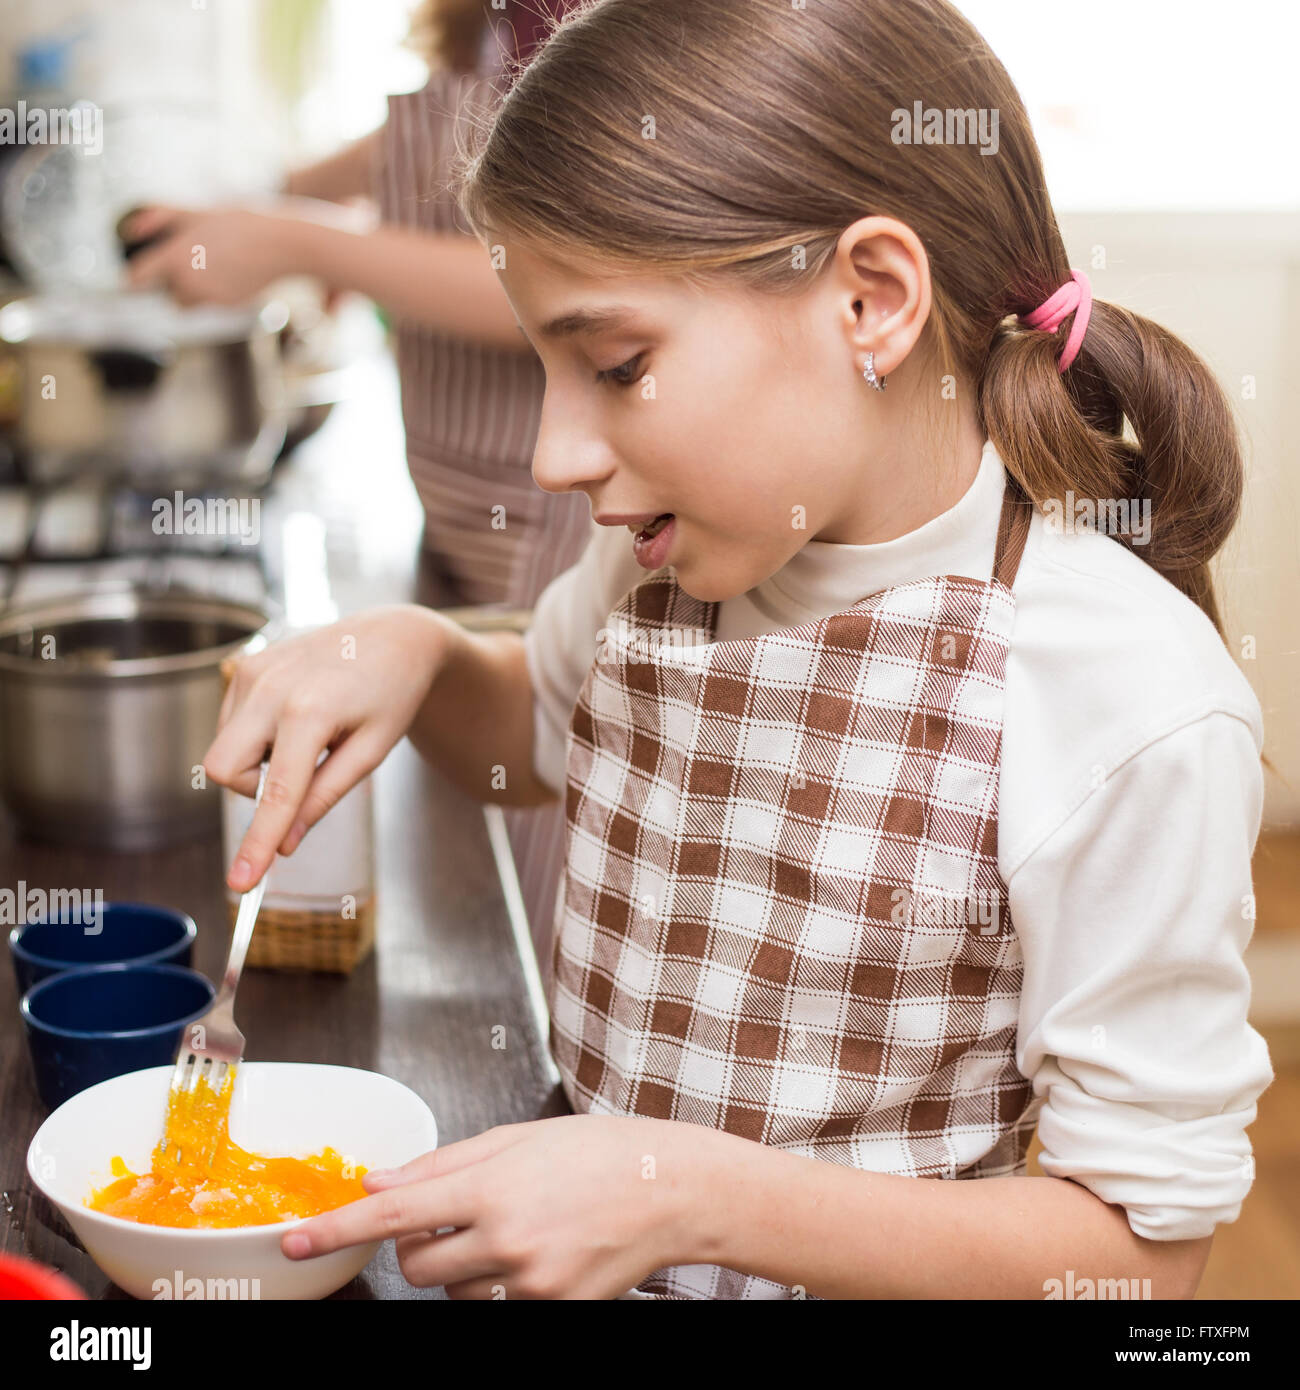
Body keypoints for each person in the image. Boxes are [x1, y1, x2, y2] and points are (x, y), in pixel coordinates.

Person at [204, 0, 1273, 1299]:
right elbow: (541, 730)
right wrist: (418, 653)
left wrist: (689, 1196)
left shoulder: (1126, 696)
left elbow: (1141, 1252)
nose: (554, 456)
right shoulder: (669, 551)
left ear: (870, 300)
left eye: (615, 363)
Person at [125, 0, 587, 972]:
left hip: (567, 524)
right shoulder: (483, 21)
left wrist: (306, 241)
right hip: (466, 522)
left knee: (555, 887)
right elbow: (449, 140)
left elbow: (566, 279)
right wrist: (274, 193)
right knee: (483, 882)